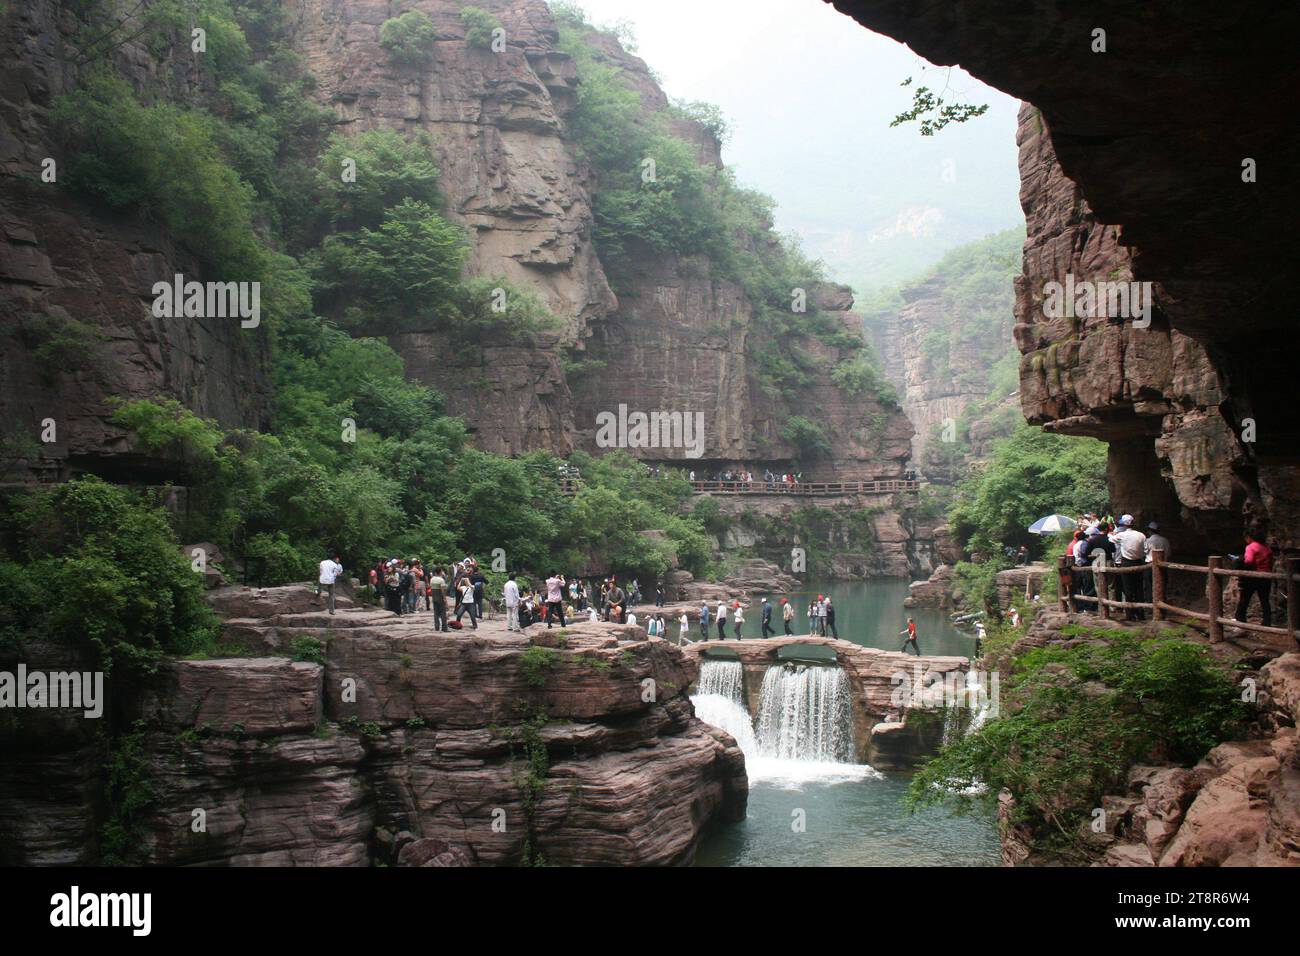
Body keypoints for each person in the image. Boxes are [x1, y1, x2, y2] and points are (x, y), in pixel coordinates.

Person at [1233, 529, 1274, 627]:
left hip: (1253, 577)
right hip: (1266, 577)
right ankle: (1267, 621)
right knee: (1265, 600)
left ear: (1250, 537)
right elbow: (1271, 561)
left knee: (1245, 598)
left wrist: (1239, 559)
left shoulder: (1251, 547)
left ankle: (1240, 619)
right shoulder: (1267, 547)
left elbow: (1249, 561)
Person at [1112, 514, 1147, 620]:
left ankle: (1130, 614)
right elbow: (1145, 550)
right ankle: (1141, 614)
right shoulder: (1141, 535)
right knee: (1139, 589)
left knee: (1128, 589)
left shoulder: (1121, 536)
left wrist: (1113, 534)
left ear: (1123, 524)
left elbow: (1112, 539)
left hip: (1126, 563)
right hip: (1139, 563)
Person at [428, 567, 448, 632]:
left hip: (434, 597)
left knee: (436, 613)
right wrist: (444, 598)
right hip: (440, 597)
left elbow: (431, 587)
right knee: (443, 613)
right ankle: (444, 628)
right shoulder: (441, 580)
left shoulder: (432, 579)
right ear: (440, 572)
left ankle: (437, 627)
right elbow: (442, 590)